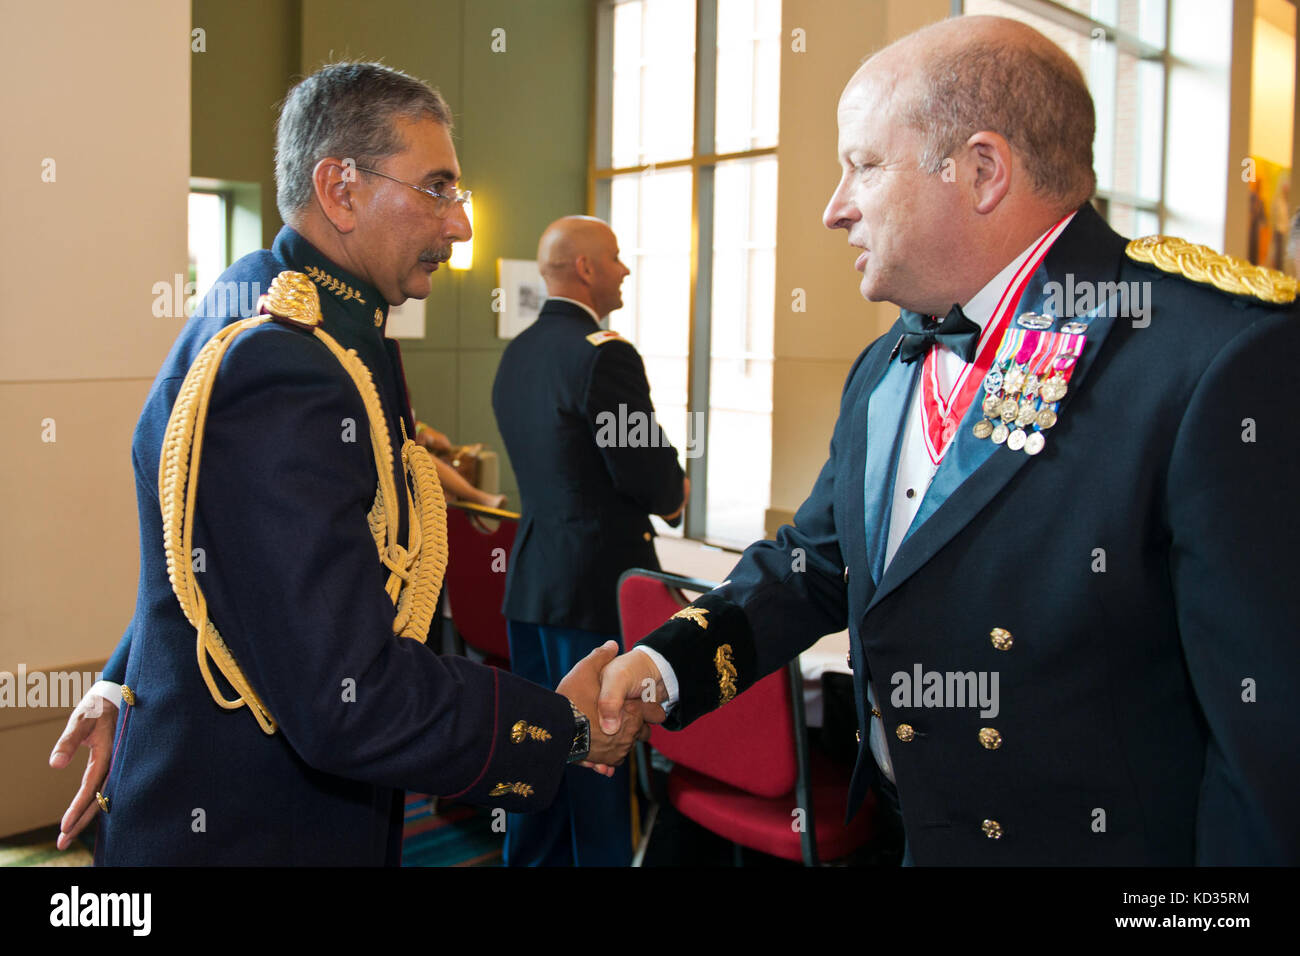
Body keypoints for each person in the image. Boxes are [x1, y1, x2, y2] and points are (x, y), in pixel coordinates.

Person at [595, 15, 1300, 865]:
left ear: (981, 171)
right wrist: (664, 667)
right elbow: (817, 565)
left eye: (862, 165)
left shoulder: (1209, 355)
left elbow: (1268, 756)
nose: (834, 208)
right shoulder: (889, 361)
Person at [47, 62, 652, 865]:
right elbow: (347, 698)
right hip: (251, 828)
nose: (461, 225)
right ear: (341, 189)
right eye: (438, 188)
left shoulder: (262, 300)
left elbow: (206, 558)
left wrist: (124, 677)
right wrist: (559, 727)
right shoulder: (289, 365)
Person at [491, 216, 688, 866]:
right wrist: (674, 494)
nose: (625, 269)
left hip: (532, 586)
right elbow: (644, 466)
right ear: (584, 269)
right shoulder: (605, 353)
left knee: (534, 757)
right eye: (616, 257)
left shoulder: (517, 352)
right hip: (597, 594)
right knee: (600, 766)